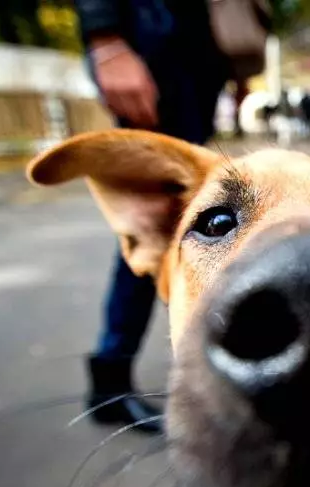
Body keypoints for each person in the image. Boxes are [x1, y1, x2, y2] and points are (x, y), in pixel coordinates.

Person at [74, 0, 229, 433]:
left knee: (170, 227)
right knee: (160, 229)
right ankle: (111, 377)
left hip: (188, 60)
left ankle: (113, 374)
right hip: (151, 46)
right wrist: (106, 40)